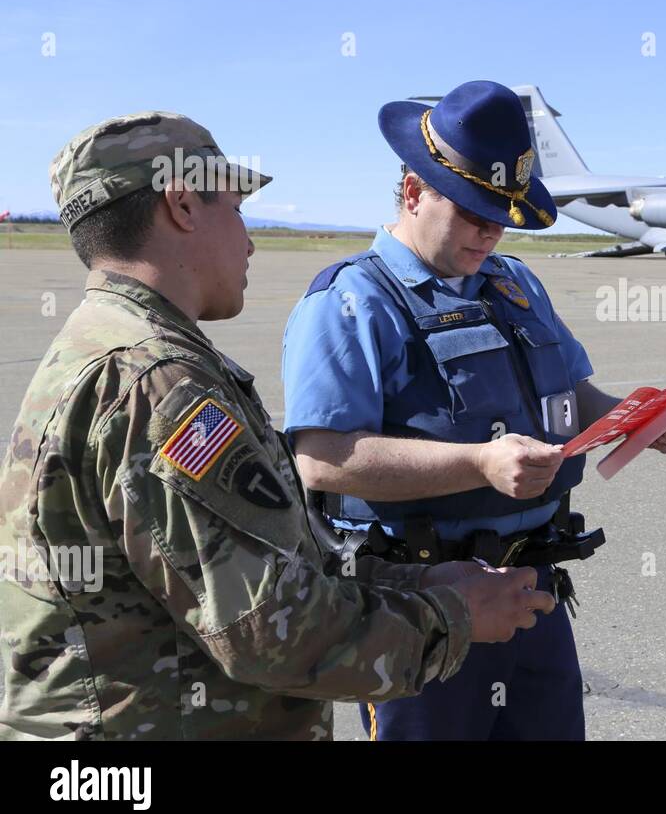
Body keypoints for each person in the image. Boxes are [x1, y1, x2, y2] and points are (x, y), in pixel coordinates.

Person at [0, 111, 553, 741]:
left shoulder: (112, 349)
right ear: (182, 205)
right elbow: (270, 631)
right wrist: (454, 614)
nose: (250, 240)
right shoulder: (157, 385)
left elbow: (265, 566)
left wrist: (415, 580)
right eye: (236, 211)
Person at [282, 81, 666, 740]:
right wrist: (479, 463)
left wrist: (634, 416)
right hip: (422, 604)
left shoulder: (513, 282)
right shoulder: (352, 301)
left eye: (502, 215)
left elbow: (570, 394)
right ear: (415, 193)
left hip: (533, 592)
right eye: (474, 213)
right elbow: (323, 459)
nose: (491, 232)